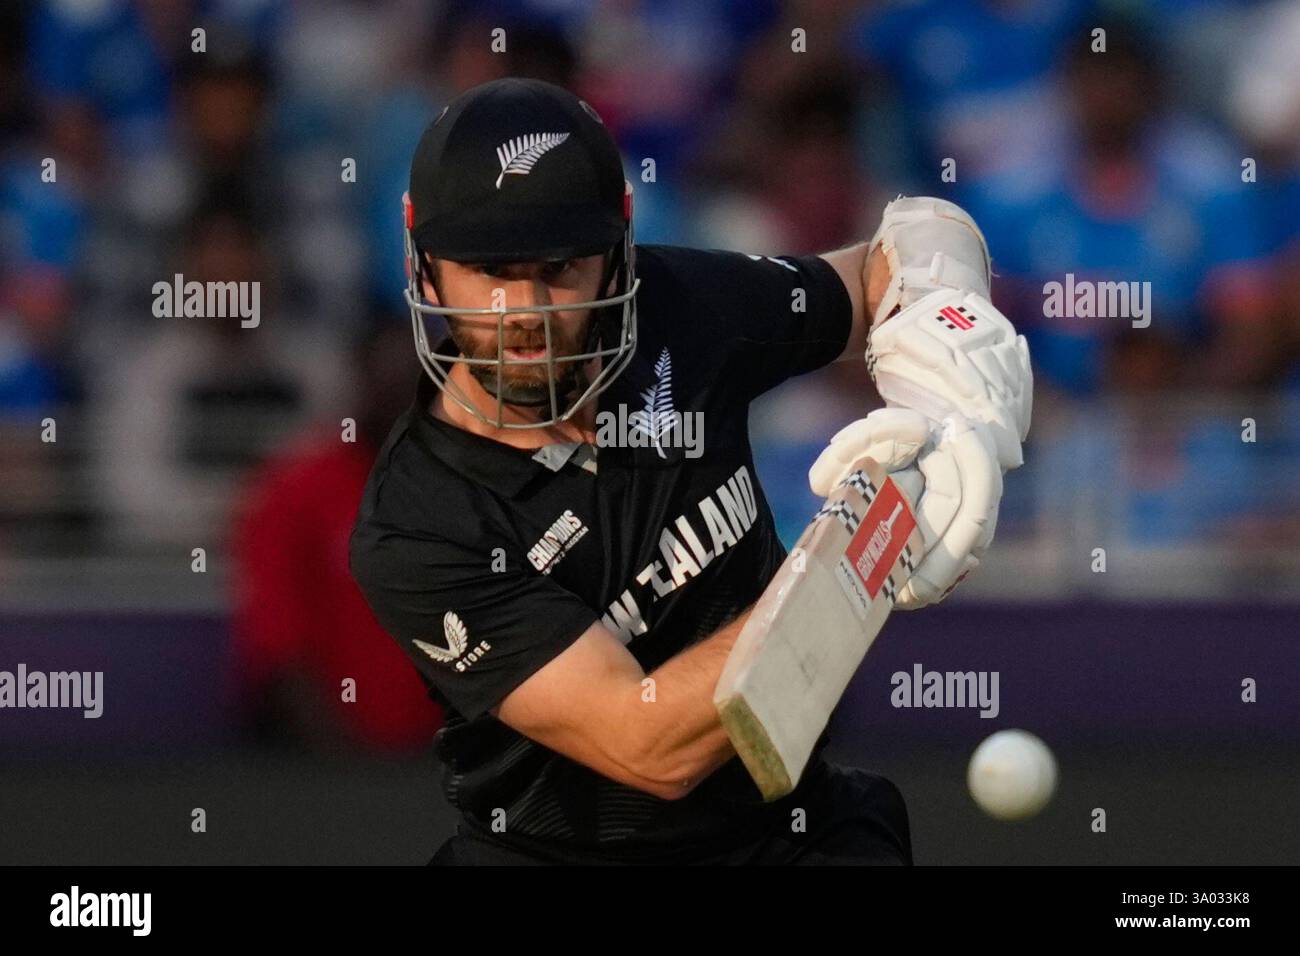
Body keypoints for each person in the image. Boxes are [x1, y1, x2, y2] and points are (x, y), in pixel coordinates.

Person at [349, 78, 1031, 865]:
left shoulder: (678, 309)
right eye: (489, 270)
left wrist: (962, 395)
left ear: (622, 243)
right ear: (420, 254)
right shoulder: (418, 523)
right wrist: (866, 545)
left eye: (562, 265)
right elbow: (650, 745)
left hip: (785, 833)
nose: (526, 310)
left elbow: (905, 251)